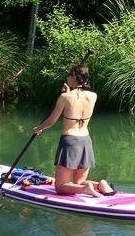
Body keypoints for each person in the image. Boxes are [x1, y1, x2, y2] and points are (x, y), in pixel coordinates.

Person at [33, 63, 113, 197]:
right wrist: (69, 90)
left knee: (60, 186)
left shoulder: (65, 97)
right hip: (85, 141)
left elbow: (51, 121)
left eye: (70, 74)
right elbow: (78, 100)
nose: (68, 77)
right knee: (79, 181)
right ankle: (100, 185)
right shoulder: (93, 96)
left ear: (75, 77)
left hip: (70, 141)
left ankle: (85, 190)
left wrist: (38, 128)